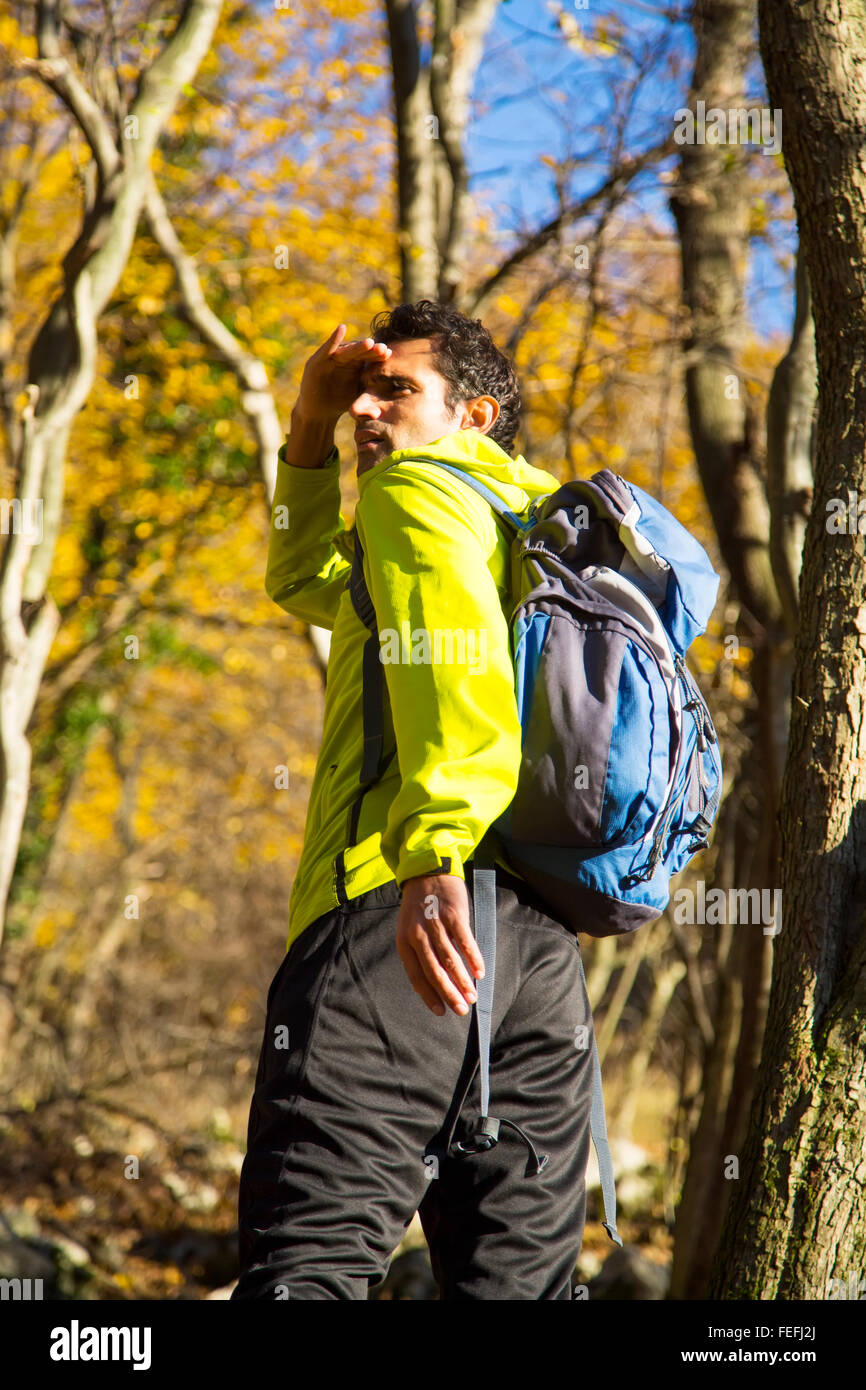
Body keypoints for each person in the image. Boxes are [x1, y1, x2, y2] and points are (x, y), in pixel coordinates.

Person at [232, 300, 595, 1301]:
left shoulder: (416, 495)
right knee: (516, 1290)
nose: (364, 410)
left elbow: (455, 672)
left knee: (309, 1264)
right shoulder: (525, 522)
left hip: (405, 920)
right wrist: (306, 426)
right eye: (360, 391)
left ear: (473, 414)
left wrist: (431, 857)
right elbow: (304, 576)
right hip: (536, 955)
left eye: (394, 389)